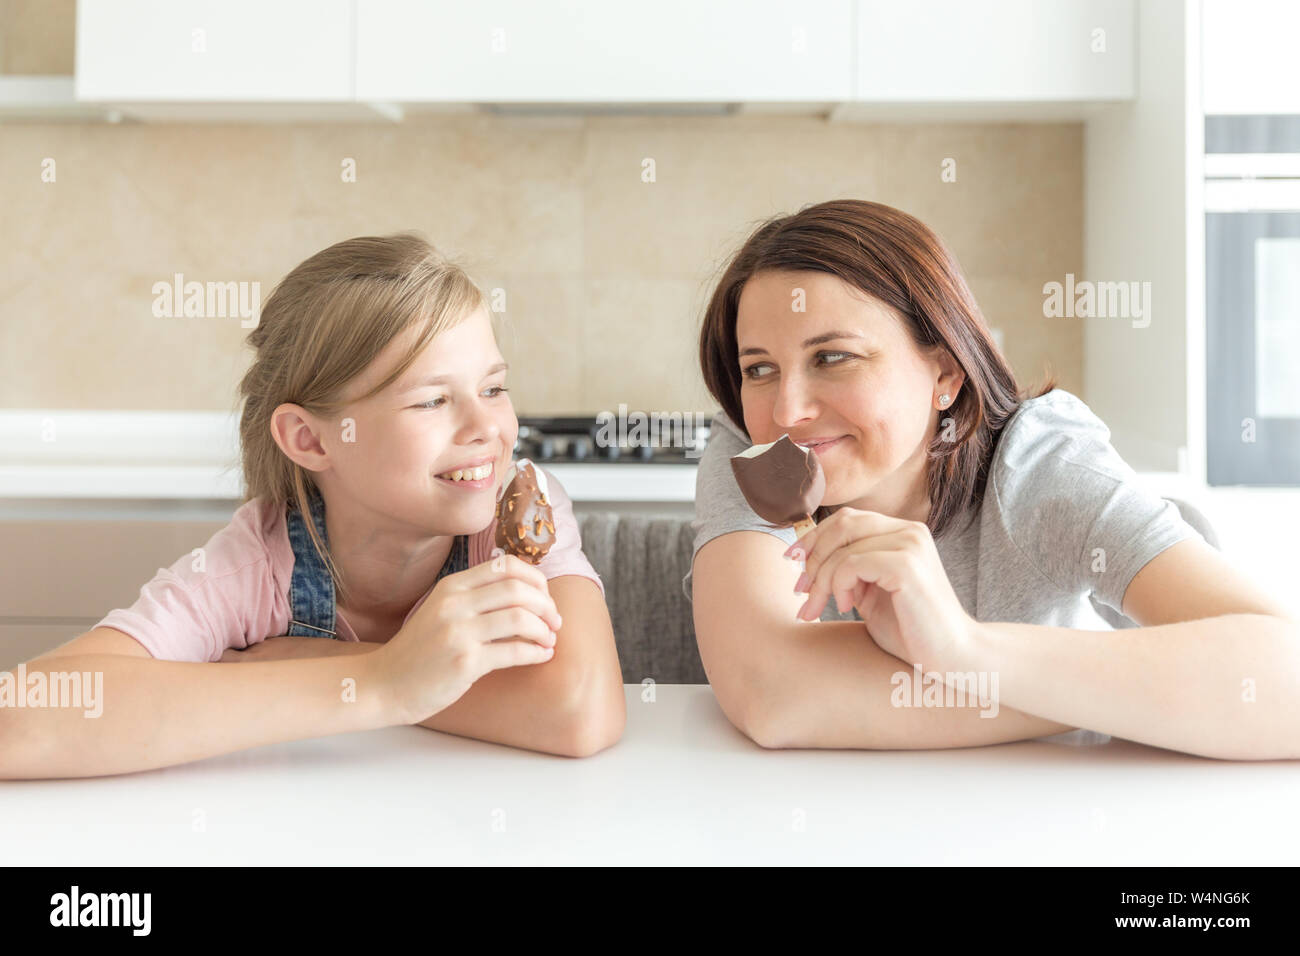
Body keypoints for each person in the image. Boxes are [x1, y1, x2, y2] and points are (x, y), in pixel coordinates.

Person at [687, 199, 1298, 760]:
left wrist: (964, 650)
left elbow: (1282, 681)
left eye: (832, 356)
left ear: (945, 375)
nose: (788, 410)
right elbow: (771, 691)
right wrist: (1097, 700)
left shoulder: (1039, 461)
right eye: (759, 367)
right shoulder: (753, 444)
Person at [3, 233, 625, 778]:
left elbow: (581, 709)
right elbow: (18, 720)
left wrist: (319, 659)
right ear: (310, 438)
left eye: (494, 388)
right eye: (433, 401)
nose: (488, 428)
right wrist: (384, 684)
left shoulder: (521, 514)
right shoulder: (256, 569)